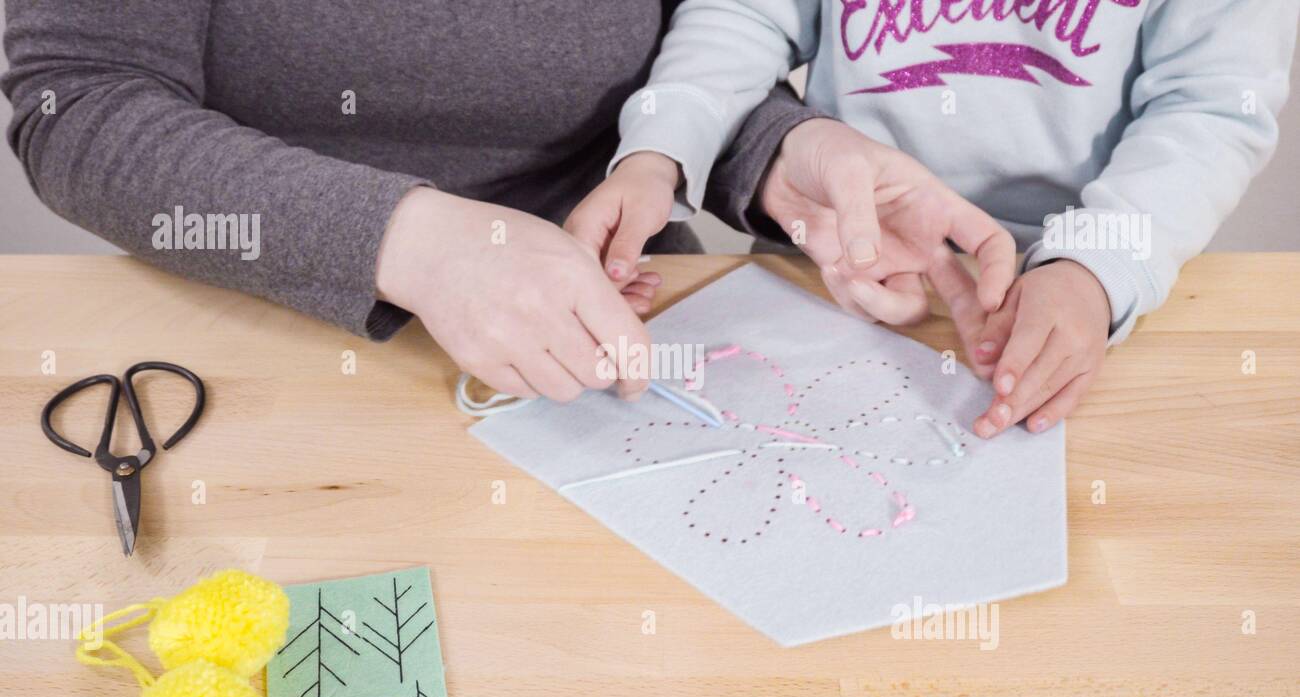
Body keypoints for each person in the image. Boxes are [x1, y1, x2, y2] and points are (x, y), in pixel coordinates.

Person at [3, 1, 1010, 405]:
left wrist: (775, 154)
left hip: (609, 315)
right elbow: (78, 99)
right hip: (254, 334)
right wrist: (411, 241)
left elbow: (696, 45)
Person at [567, 0, 1297, 435]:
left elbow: (1210, 108)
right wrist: (659, 152)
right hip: (835, 280)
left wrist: (1093, 270)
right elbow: (743, 15)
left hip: (1069, 316)